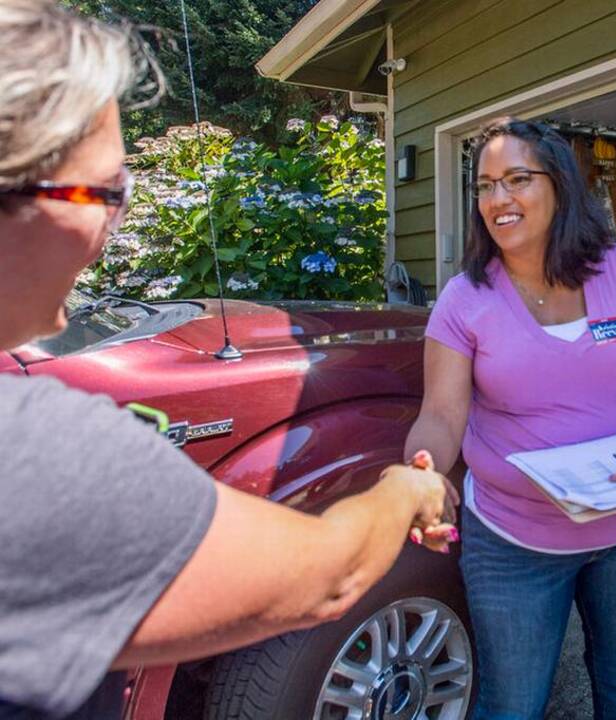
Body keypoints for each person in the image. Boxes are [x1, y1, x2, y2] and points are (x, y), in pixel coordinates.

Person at [0, 2, 455, 717]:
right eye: (110, 193)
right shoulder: (35, 452)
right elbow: (323, 578)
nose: (118, 225)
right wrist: (405, 490)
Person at [403, 117, 616, 719]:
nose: (497, 199)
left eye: (517, 179)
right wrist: (423, 470)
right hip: (515, 540)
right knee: (512, 706)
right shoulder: (465, 299)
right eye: (485, 186)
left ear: (559, 185)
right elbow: (441, 414)